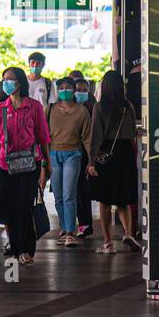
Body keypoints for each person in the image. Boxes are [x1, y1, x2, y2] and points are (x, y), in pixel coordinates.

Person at [0, 66, 50, 265]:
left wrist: (46, 163)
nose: (6, 83)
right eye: (4, 79)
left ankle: (26, 249)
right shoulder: (1, 108)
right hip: (6, 165)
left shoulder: (34, 107)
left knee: (24, 207)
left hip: (31, 164)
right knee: (10, 209)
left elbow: (42, 135)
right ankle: (14, 248)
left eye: (10, 79)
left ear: (20, 83)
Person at [88, 70, 141, 254]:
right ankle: (128, 232)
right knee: (123, 200)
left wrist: (91, 162)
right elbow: (133, 133)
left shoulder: (99, 107)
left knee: (105, 200)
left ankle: (108, 243)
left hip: (106, 153)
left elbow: (96, 136)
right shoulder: (129, 106)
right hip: (126, 153)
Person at [48, 76, 92, 246]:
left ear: (74, 90)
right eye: (61, 87)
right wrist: (43, 159)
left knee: (69, 194)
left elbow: (87, 138)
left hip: (73, 154)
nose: (64, 90)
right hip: (53, 154)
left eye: (68, 87)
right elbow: (43, 136)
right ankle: (64, 226)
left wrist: (91, 160)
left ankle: (69, 232)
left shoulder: (82, 111)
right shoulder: (50, 109)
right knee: (58, 196)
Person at [72, 77, 97, 241]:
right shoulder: (68, 107)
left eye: (84, 90)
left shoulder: (93, 107)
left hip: (86, 153)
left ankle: (85, 223)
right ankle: (67, 226)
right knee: (69, 191)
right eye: (78, 89)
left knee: (83, 189)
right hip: (70, 151)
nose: (81, 92)